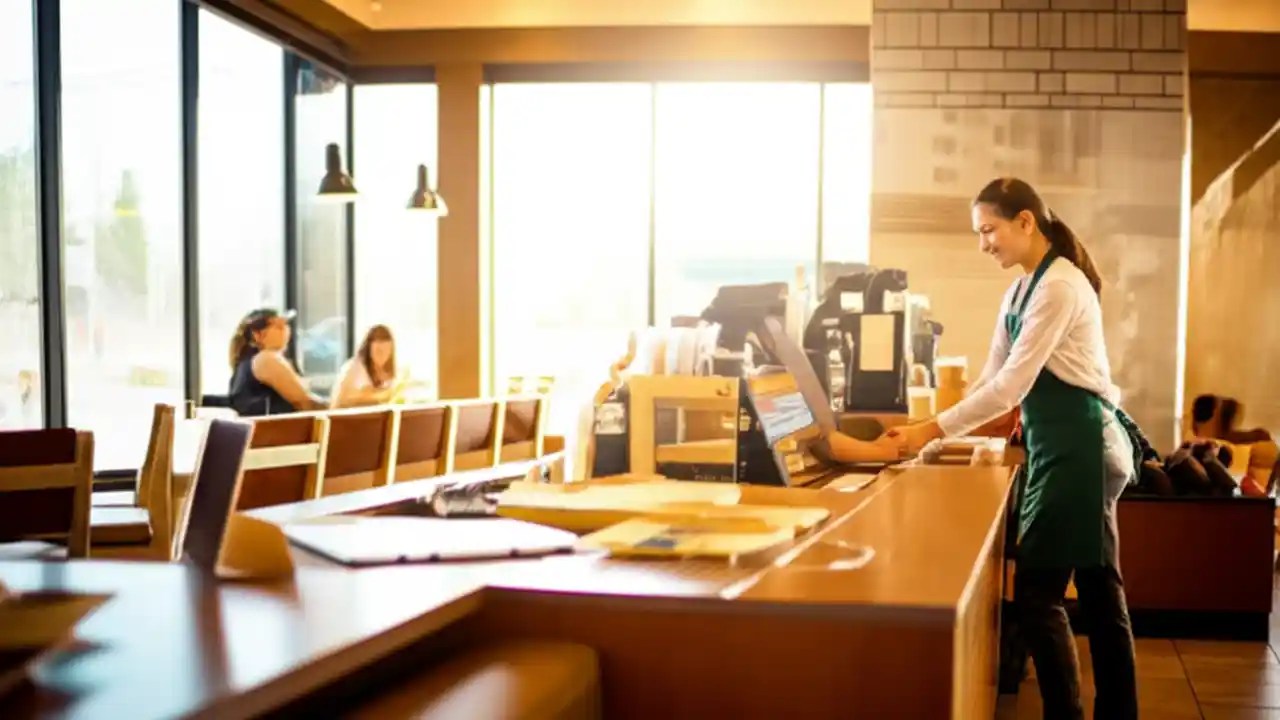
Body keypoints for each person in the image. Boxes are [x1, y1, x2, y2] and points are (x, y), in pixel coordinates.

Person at [885, 177, 1140, 719]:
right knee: (1097, 593)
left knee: (1040, 596)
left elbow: (1011, 388)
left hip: (1083, 450)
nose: (984, 244)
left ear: (1026, 221)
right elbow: (989, 378)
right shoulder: (1021, 290)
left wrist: (928, 433)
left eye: (989, 230)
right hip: (1063, 447)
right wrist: (930, 429)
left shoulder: (1061, 287)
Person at [227, 308, 325, 416]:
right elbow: (304, 403)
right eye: (278, 327)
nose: (286, 330)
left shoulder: (247, 363)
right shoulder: (265, 359)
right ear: (258, 334)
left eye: (286, 325)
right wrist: (336, 408)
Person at [330, 324, 405, 408]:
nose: (382, 356)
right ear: (368, 349)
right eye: (378, 351)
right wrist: (373, 395)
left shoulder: (392, 373)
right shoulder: (355, 368)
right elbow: (342, 401)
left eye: (386, 351)